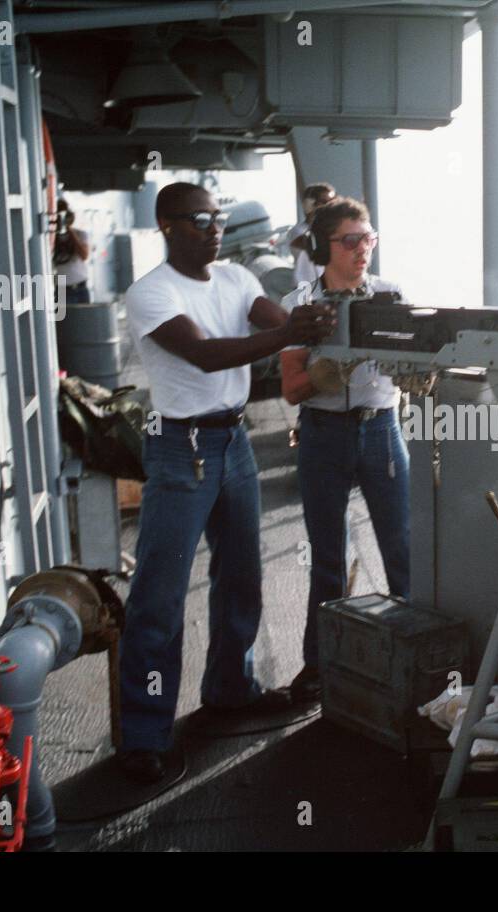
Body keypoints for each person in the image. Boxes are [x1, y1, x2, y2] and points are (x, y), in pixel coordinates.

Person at [116, 182, 332, 783]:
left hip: (233, 442)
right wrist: (292, 334)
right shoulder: (150, 294)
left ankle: (232, 689)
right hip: (180, 449)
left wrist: (308, 319)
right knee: (159, 594)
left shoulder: (237, 279)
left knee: (241, 573)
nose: (213, 228)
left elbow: (275, 319)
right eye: (199, 219)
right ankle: (144, 735)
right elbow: (207, 355)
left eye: (218, 218)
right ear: (166, 226)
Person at [279, 197, 410, 703]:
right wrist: (322, 374)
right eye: (350, 240)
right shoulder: (300, 304)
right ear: (323, 247)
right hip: (324, 433)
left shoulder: (391, 294)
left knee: (400, 548)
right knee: (327, 557)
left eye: (369, 238)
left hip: (380, 429)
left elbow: (409, 363)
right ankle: (319, 665)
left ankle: (409, 657)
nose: (363, 250)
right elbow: (291, 390)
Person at [287, 182, 335, 288]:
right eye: (325, 202)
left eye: (332, 202)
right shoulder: (297, 231)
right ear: (310, 204)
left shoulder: (329, 231)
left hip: (323, 288)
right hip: (304, 289)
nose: (331, 206)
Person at [52, 199, 92, 304]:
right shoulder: (52, 238)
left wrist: (69, 230)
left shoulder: (80, 234)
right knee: (64, 319)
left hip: (80, 286)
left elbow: (84, 255)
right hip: (62, 289)